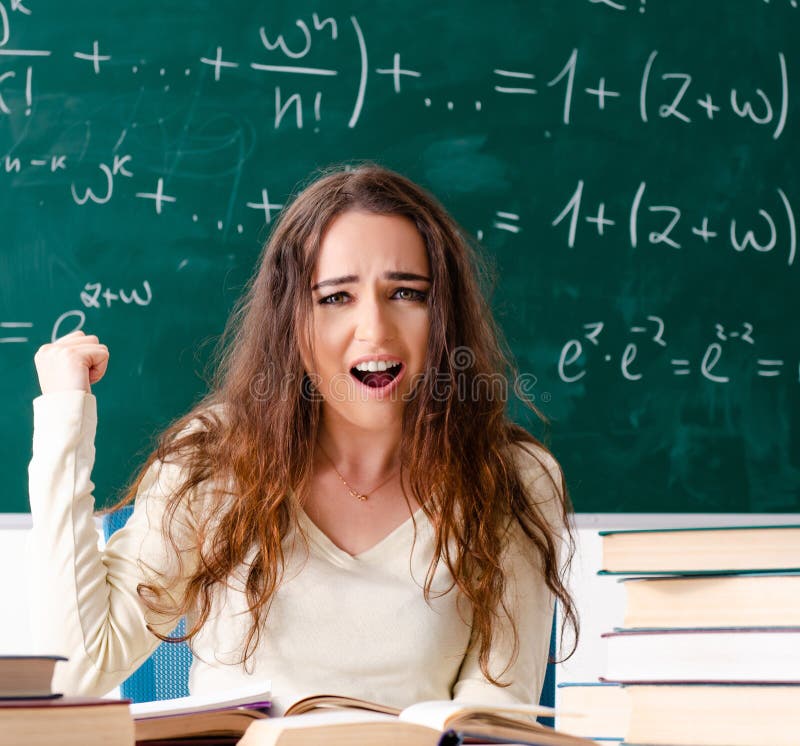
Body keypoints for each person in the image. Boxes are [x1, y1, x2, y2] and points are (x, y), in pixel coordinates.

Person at [28, 164, 577, 714]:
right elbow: (74, 670)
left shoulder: (513, 478)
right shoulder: (215, 460)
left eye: (407, 293)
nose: (375, 329)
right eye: (336, 298)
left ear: (444, 315)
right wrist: (63, 423)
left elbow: (493, 717)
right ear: (292, 320)